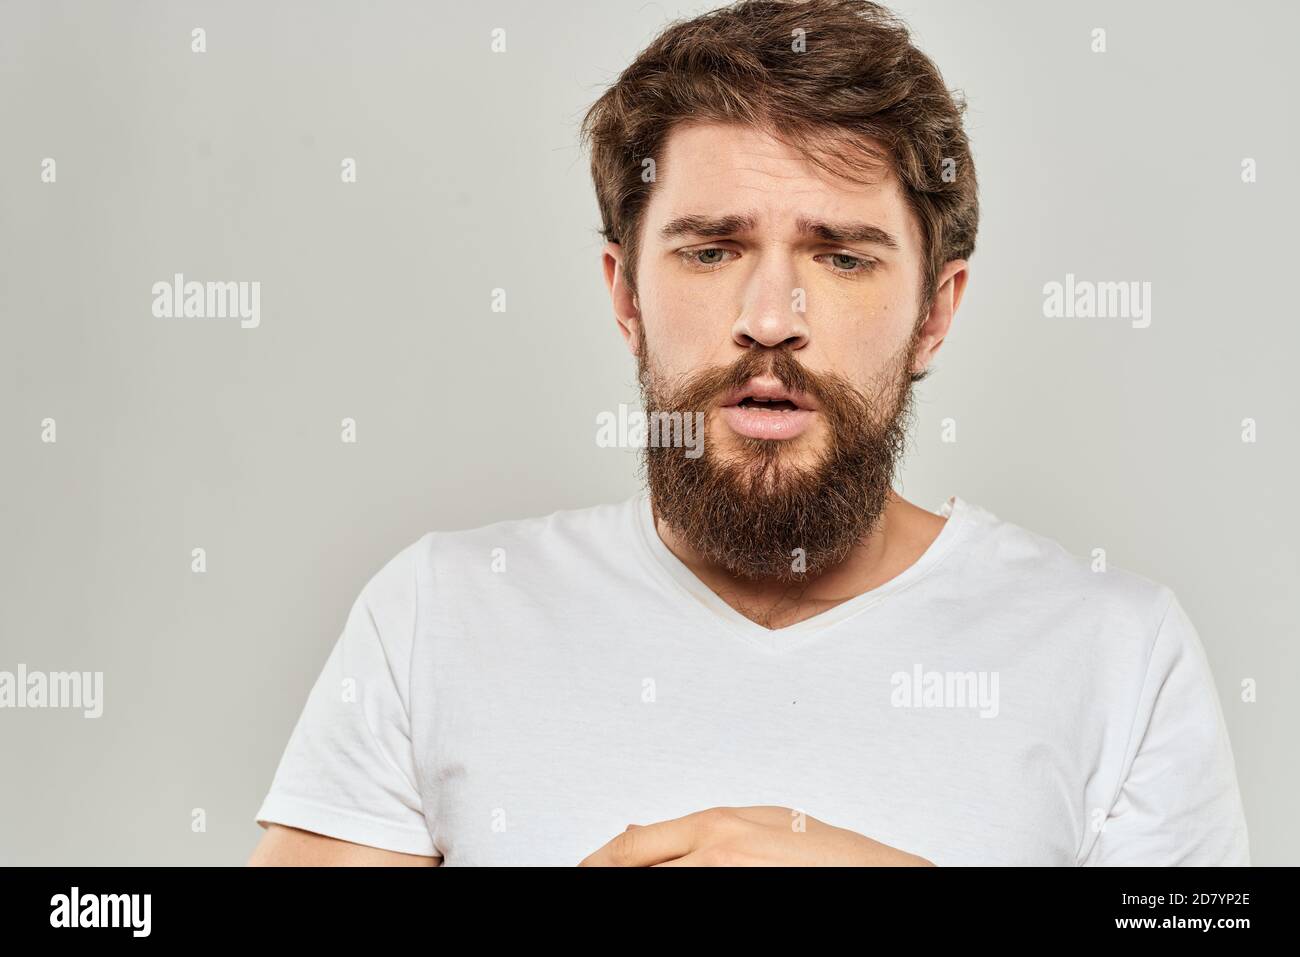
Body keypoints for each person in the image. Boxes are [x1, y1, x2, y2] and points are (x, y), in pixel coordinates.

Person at [249, 0, 1248, 866]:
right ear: (626, 295)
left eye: (845, 257)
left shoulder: (1119, 651)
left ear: (934, 314)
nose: (772, 316)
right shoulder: (439, 615)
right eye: (711, 250)